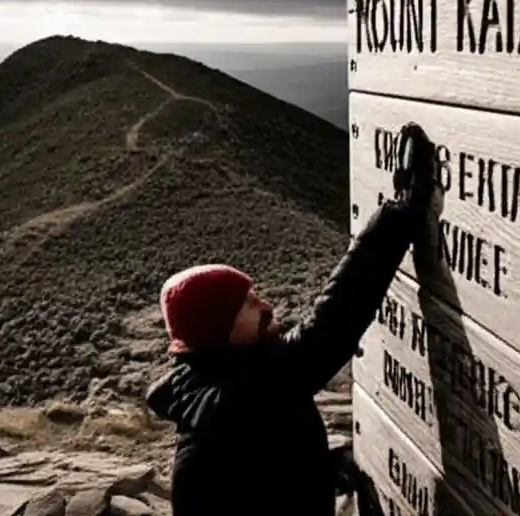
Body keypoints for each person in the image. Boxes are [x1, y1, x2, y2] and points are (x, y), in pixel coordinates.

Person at [145, 122, 438, 516]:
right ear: (220, 331)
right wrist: (401, 210)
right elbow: (330, 327)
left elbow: (259, 473)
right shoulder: (234, 402)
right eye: (247, 306)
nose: (266, 307)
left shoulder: (218, 388)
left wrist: (320, 470)